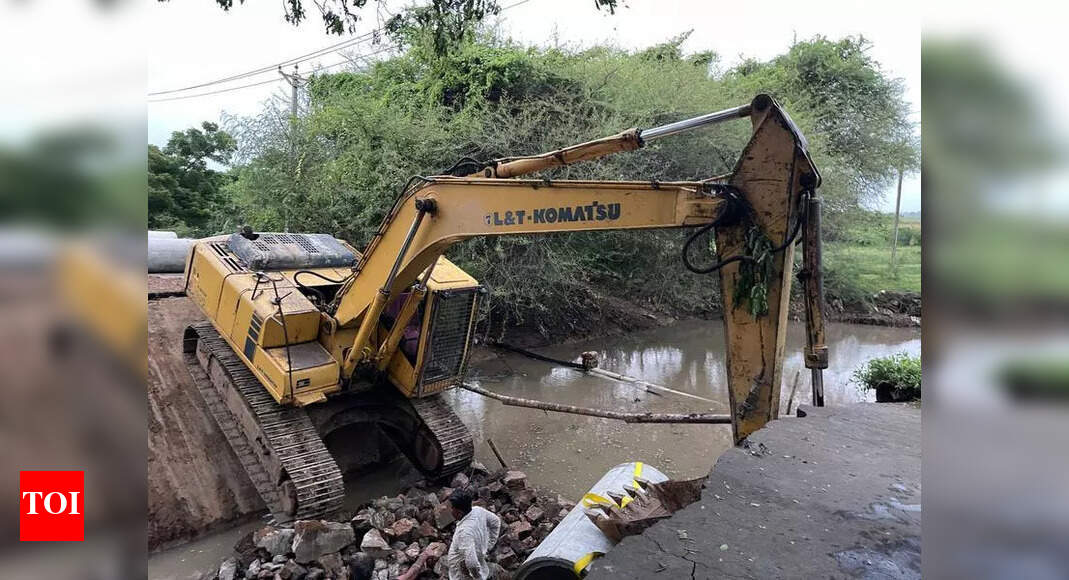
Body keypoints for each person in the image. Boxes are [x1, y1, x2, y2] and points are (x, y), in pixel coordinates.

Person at [445, 488, 501, 580]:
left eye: (452, 508)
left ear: (459, 513)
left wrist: (478, 577)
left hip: (462, 572)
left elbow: (471, 563)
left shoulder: (464, 532)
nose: (450, 510)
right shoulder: (478, 510)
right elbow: (496, 521)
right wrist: (489, 545)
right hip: (477, 555)